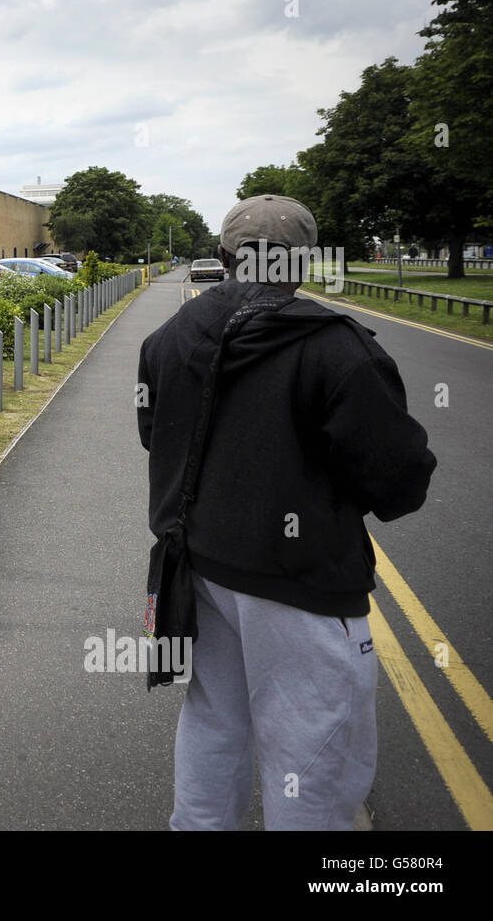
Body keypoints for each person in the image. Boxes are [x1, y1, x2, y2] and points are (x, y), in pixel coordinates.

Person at [136, 194, 436, 830]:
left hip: (199, 571)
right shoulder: (338, 348)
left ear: (224, 257)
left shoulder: (166, 340)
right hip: (298, 587)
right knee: (313, 747)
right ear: (302, 264)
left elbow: (154, 433)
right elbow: (399, 479)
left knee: (214, 719)